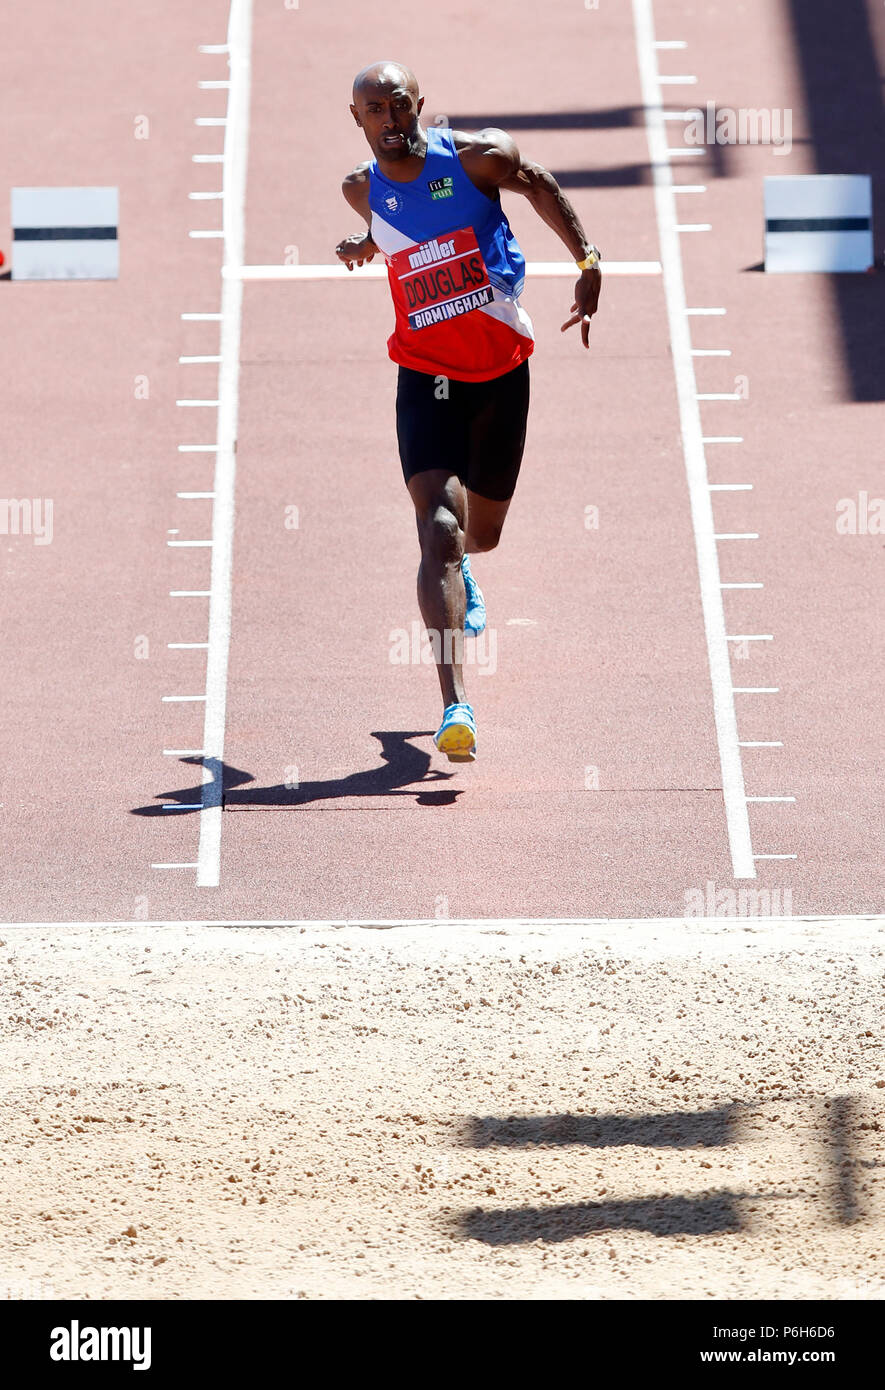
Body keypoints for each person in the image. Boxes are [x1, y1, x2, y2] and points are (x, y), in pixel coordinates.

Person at [336, 61, 602, 762]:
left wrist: (587, 261)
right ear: (355, 119)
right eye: (373, 110)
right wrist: (366, 245)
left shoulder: (477, 159)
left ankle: (467, 568)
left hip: (500, 374)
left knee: (480, 537)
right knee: (440, 531)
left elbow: (539, 183)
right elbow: (396, 230)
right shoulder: (360, 188)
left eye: (398, 105)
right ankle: (454, 704)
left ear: (419, 105)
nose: (388, 119)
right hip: (424, 378)